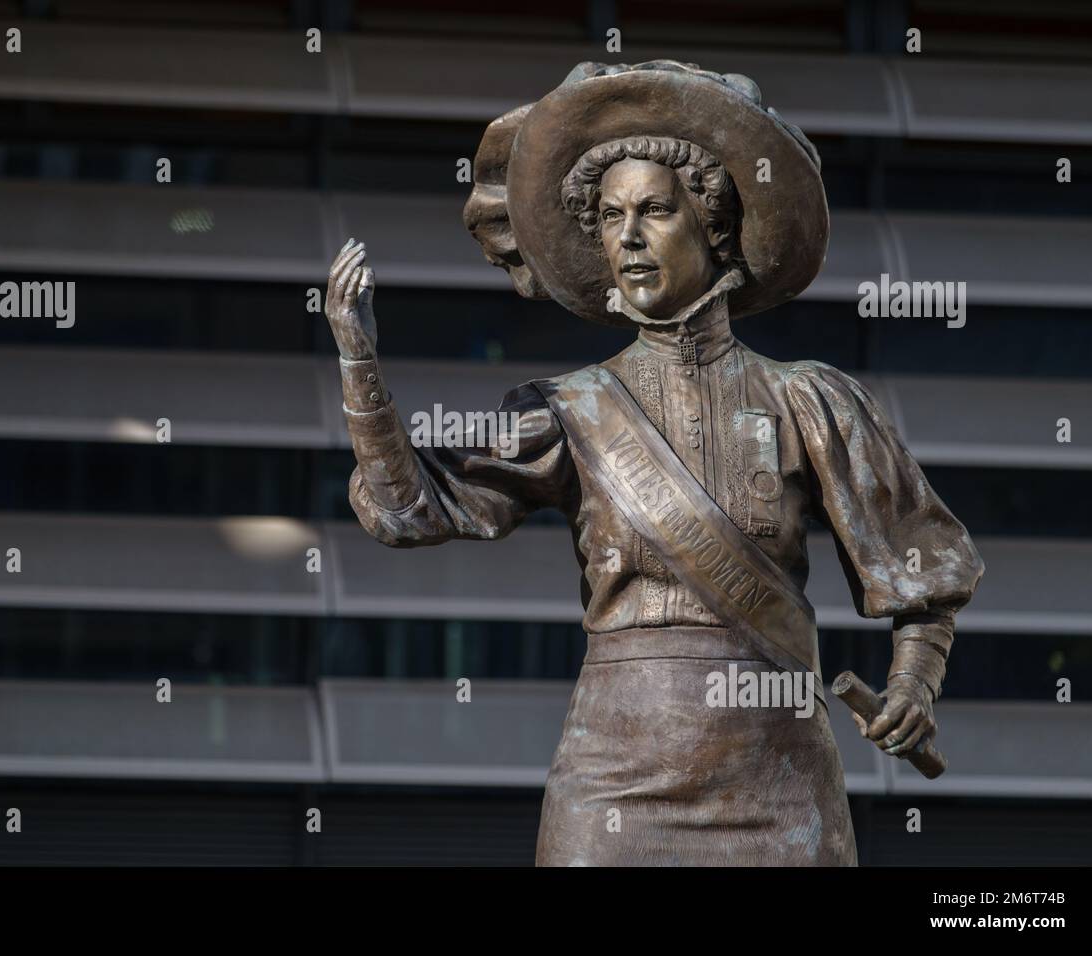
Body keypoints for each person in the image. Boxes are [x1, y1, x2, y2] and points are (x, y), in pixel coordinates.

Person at [324, 60, 984, 866]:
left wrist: (913, 686)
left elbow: (924, 576)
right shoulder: (565, 411)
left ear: (710, 224)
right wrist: (359, 363)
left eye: (653, 211)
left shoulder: (808, 401)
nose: (627, 236)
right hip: (614, 772)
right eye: (608, 216)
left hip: (775, 768)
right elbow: (412, 512)